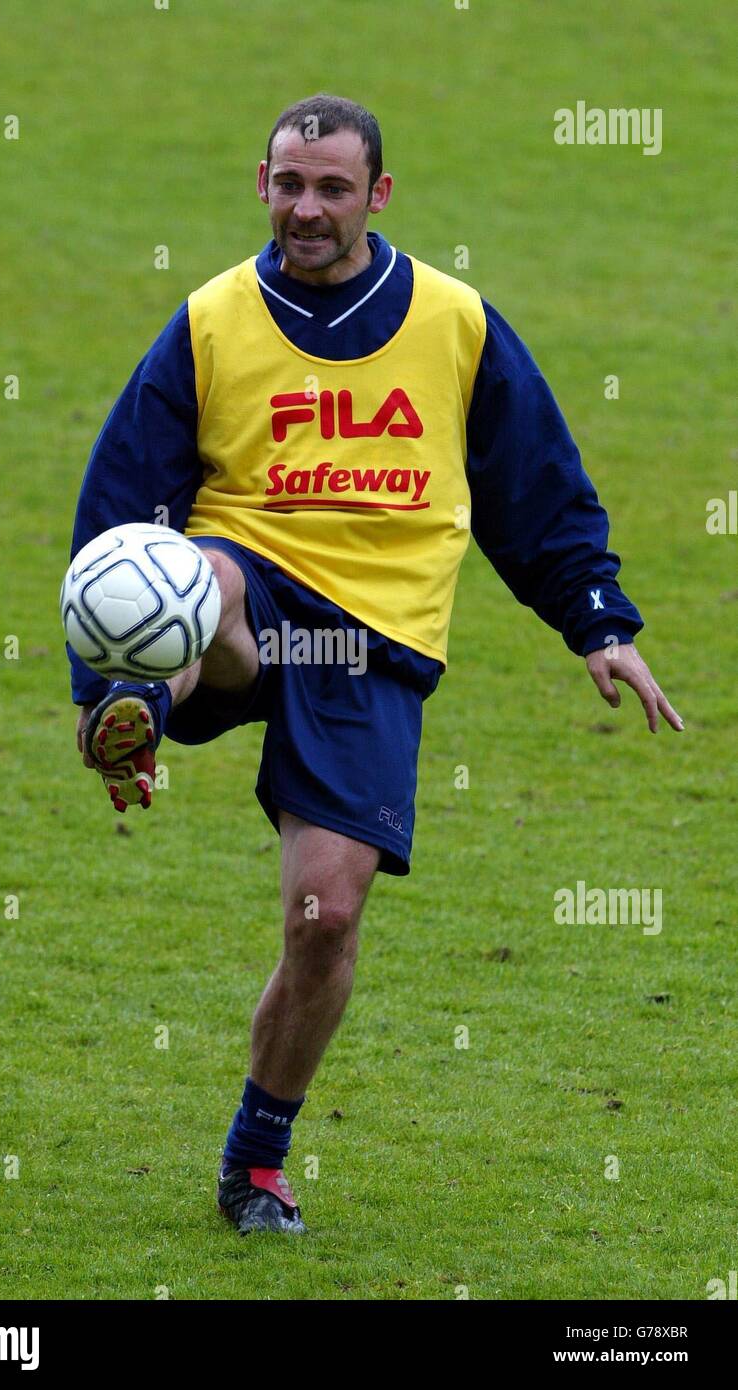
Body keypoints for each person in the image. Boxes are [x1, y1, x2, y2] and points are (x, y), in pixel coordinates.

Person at [67, 94, 682, 1236]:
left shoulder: (452, 321)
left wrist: (595, 618)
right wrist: (98, 682)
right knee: (195, 578)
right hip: (243, 587)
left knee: (323, 918)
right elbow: (120, 519)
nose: (307, 208)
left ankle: (255, 1162)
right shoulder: (210, 319)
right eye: (288, 184)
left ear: (376, 196)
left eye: (331, 188)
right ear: (262, 183)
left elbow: (530, 488)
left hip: (374, 639)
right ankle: (143, 701)